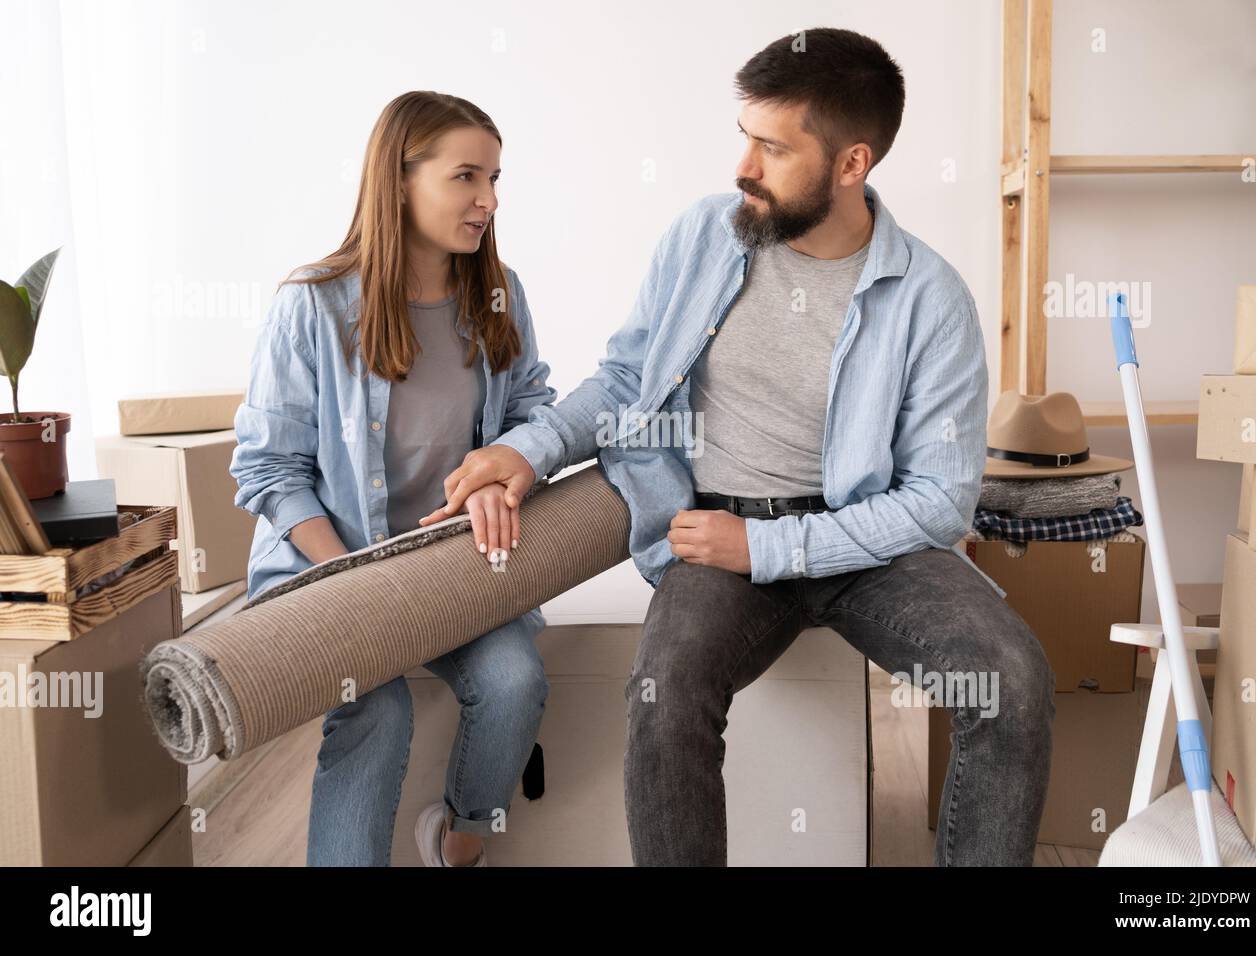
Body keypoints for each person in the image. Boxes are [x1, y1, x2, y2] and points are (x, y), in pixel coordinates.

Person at [429, 29, 1055, 866]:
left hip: (869, 547)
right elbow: (627, 381)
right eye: (744, 138)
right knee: (664, 695)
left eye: (772, 147)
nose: (744, 167)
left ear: (850, 164)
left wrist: (772, 546)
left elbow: (940, 500)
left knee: (1013, 680)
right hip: (717, 537)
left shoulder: (932, 299)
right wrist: (531, 447)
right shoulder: (705, 236)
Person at [230, 91, 556, 867]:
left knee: (514, 681)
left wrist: (496, 470)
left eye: (496, 177)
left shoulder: (497, 294)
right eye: (466, 176)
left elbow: (535, 407)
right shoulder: (310, 305)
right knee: (375, 709)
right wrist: (348, 576)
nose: (489, 199)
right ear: (398, 180)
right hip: (331, 570)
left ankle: (461, 841)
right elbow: (270, 470)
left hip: (451, 568)